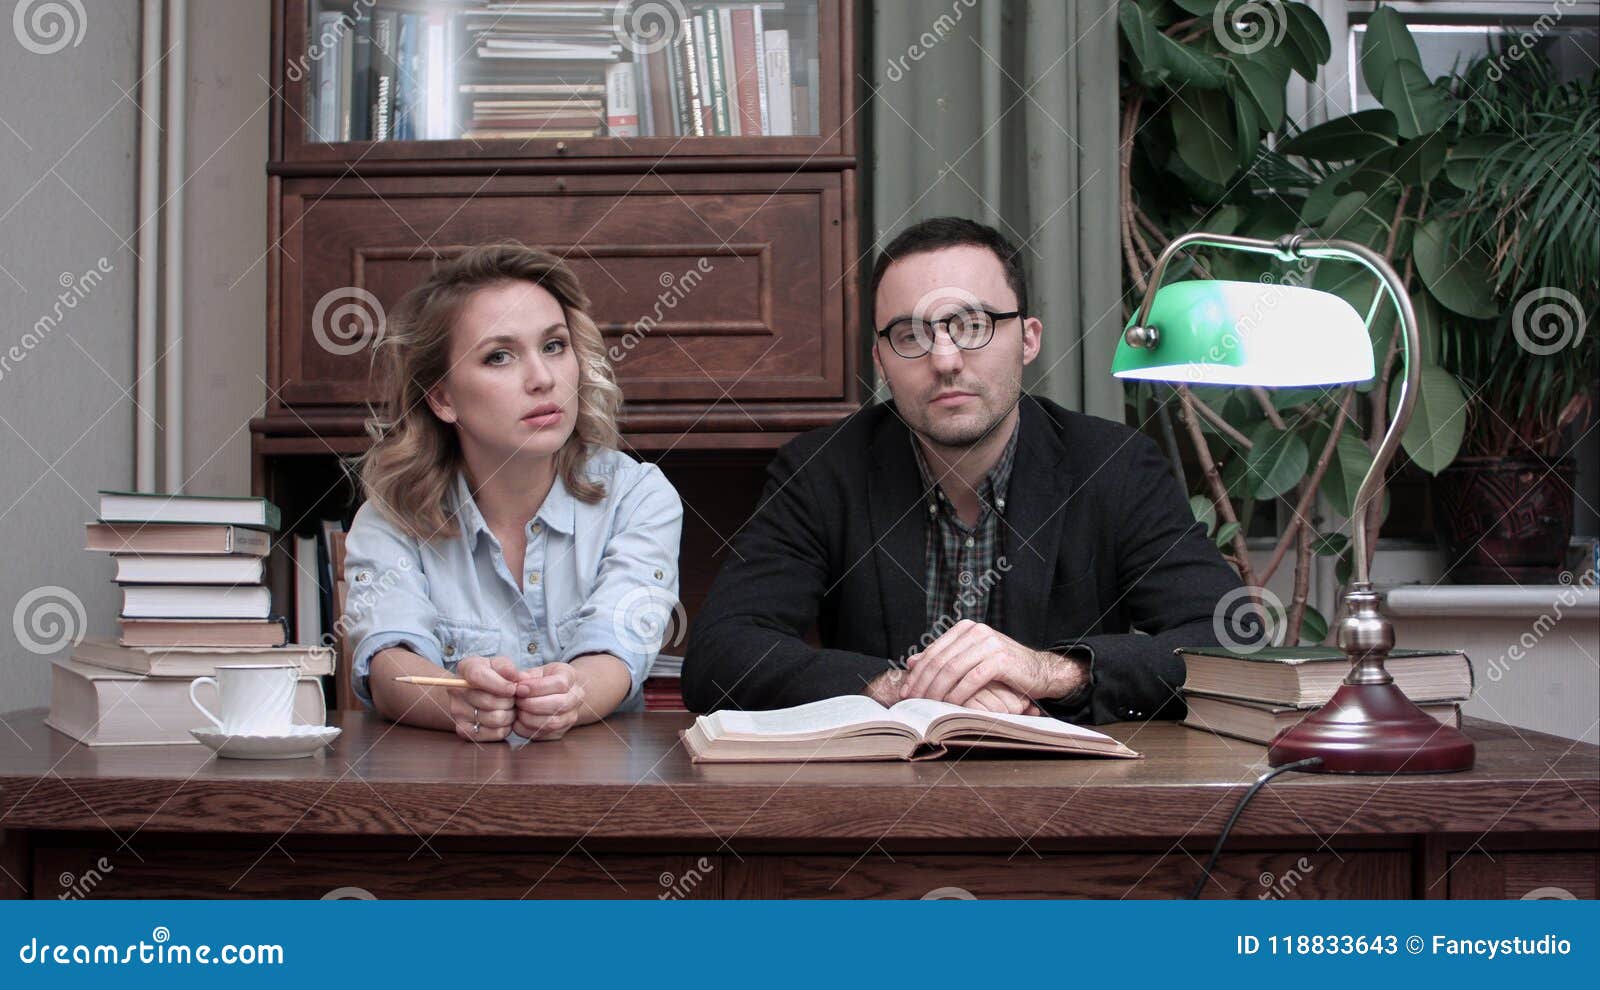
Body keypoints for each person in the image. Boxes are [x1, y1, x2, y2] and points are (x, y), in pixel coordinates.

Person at [682, 217, 1241, 723]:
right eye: (910, 336)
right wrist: (902, 688)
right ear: (880, 361)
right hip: (884, 806)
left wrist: (1049, 672)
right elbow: (719, 655)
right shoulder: (821, 472)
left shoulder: (1115, 466)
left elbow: (1229, 638)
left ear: (1028, 338)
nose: (944, 359)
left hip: (1069, 804)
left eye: (972, 325)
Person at [341, 244, 683, 743]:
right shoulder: (390, 517)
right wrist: (453, 700)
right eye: (498, 356)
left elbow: (617, 647)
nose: (543, 379)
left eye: (554, 346)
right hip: (445, 801)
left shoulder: (638, 497)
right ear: (442, 397)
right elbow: (388, 661)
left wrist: (573, 693)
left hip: (605, 800)